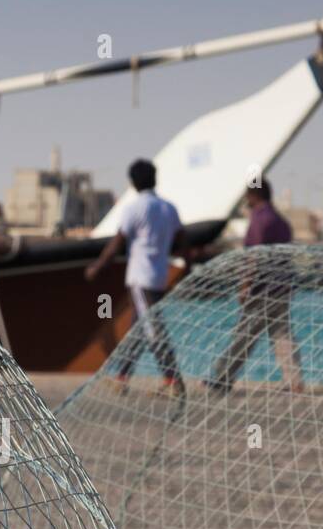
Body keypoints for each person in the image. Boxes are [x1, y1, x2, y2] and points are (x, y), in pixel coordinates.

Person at [85, 158, 186, 393]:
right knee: (138, 329)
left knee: (152, 329)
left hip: (141, 278)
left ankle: (173, 380)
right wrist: (187, 267)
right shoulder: (168, 208)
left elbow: (116, 243)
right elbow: (183, 241)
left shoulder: (134, 208)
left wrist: (97, 267)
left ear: (132, 182)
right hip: (160, 276)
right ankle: (122, 378)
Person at [206, 178, 304, 394]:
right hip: (283, 285)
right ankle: (294, 380)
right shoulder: (280, 221)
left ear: (254, 196)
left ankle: (223, 378)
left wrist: (245, 284)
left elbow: (255, 256)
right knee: (281, 334)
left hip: (262, 287)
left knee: (244, 335)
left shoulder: (259, 220)